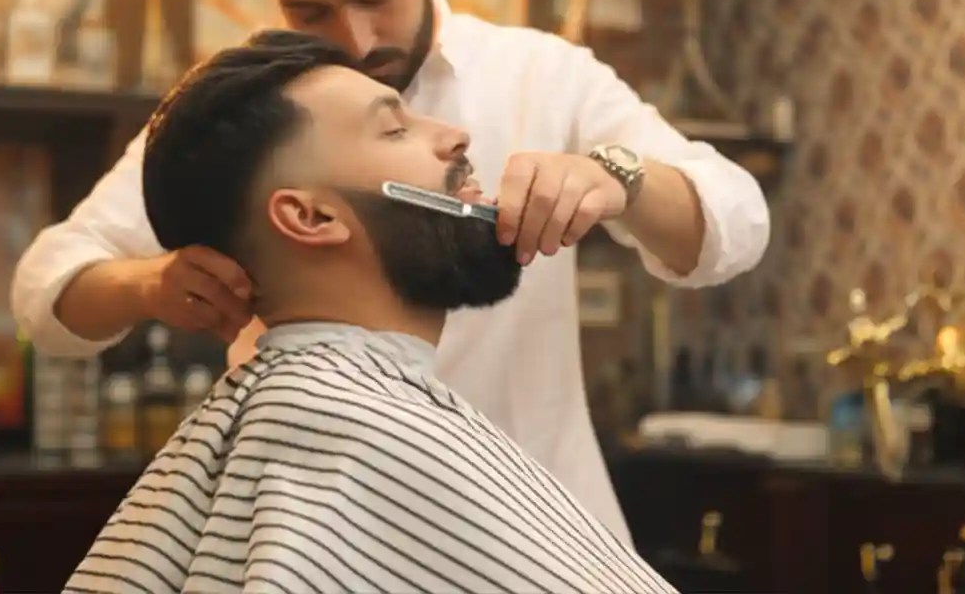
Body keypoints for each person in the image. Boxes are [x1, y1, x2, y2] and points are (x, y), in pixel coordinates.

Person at [13, 0, 770, 543]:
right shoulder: (252, 115)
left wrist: (620, 177)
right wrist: (149, 284)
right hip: (333, 528)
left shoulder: (541, 75)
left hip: (541, 523)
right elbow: (46, 292)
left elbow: (737, 222)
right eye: (308, 9)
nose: (356, 39)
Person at [64, 31, 677, 594]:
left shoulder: (299, 418)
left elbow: (731, 216)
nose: (454, 135)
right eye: (395, 131)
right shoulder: (352, 431)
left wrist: (619, 177)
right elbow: (50, 277)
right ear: (310, 217)